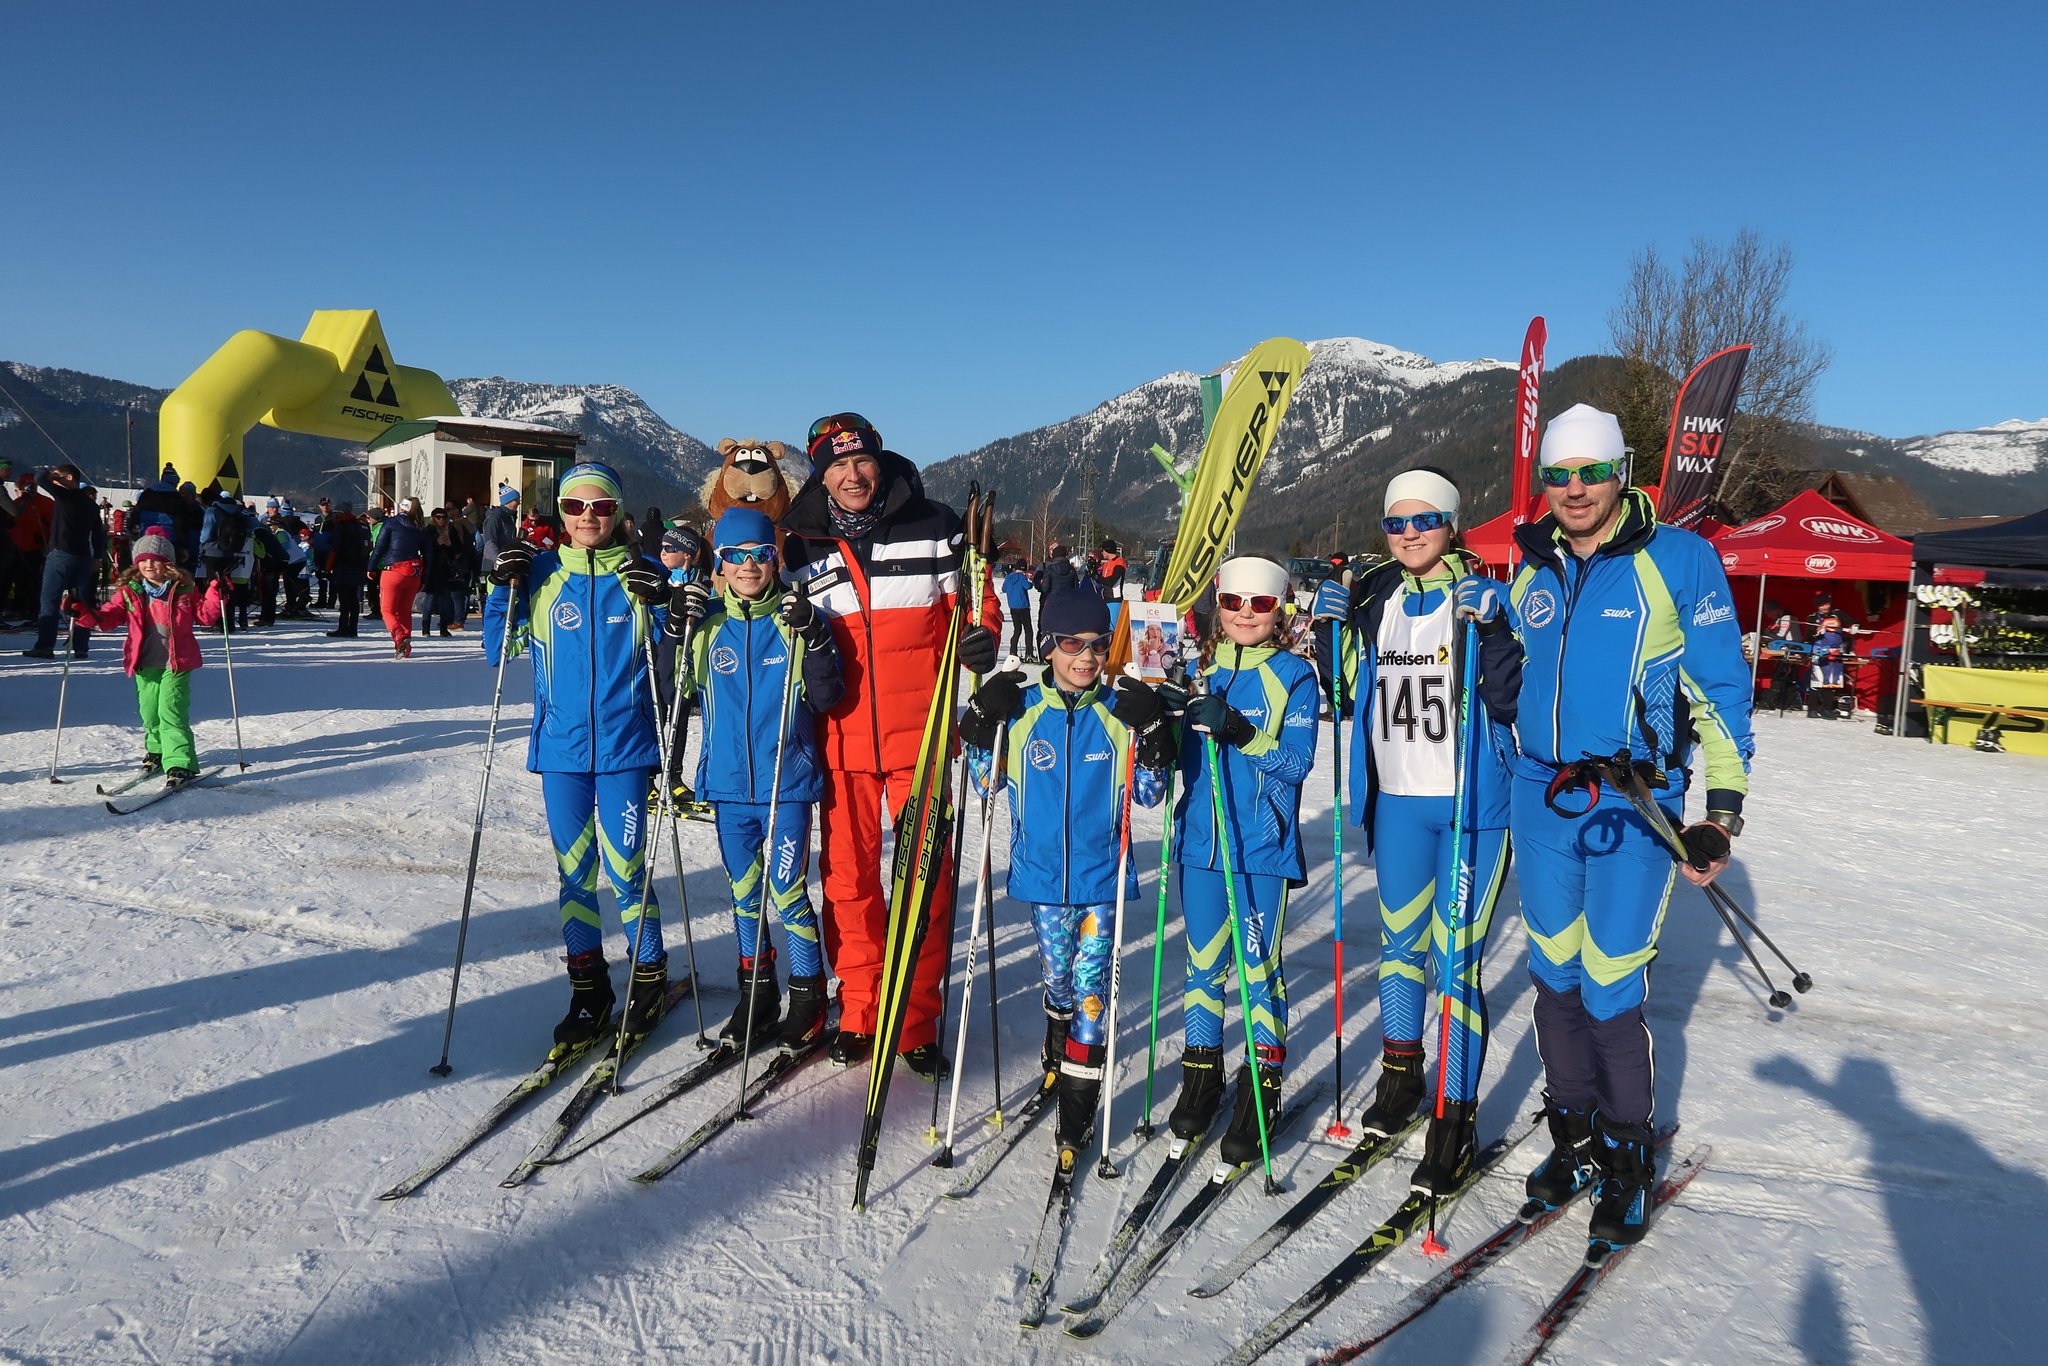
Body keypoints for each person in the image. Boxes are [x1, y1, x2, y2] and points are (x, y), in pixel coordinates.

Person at [1497, 403, 1754, 1247]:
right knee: (1554, 977)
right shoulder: (1531, 565)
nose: (1575, 490)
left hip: (1631, 802)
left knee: (1610, 986)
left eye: (1592, 472)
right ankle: (1572, 1137)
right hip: (1541, 797)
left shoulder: (1677, 558)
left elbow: (1722, 690)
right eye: (1560, 475)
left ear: (1622, 472)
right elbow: (1514, 672)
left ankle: (1627, 1155)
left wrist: (1720, 815)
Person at [1311, 469, 1523, 1194]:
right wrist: (1328, 631)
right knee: (1399, 950)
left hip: (1470, 805)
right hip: (1398, 801)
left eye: (1424, 519)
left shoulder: (1486, 593)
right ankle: (1401, 1077)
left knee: (1456, 965)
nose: (1409, 534)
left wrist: (1496, 628)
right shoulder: (1378, 595)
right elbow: (1342, 693)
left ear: (1452, 524)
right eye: (1396, 523)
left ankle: (1454, 1120)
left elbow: (1513, 696)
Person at [779, 412, 1000, 1077]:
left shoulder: (933, 524)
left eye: (862, 461)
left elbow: (978, 602)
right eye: (838, 465)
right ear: (821, 474)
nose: (853, 476)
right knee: (848, 885)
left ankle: (916, 1021)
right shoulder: (801, 544)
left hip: (923, 738)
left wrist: (983, 637)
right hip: (842, 741)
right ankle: (862, 1011)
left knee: (923, 883)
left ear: (879, 463)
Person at [959, 587, 1175, 1155]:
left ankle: (1077, 1115)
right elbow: (985, 782)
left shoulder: (1117, 713)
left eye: (1097, 645)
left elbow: (1149, 793)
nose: (1086, 656)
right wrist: (980, 720)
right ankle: (1058, 1044)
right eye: (1071, 644)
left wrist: (1155, 734)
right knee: (1058, 978)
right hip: (1042, 878)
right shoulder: (1025, 711)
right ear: (1049, 646)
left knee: (1090, 992)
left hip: (1103, 879)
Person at [484, 461, 676, 1054]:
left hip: (625, 749)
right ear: (561, 514)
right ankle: (588, 987)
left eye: (601, 506)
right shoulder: (539, 574)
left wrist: (664, 601)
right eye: (575, 506)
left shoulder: (641, 573)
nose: (588, 516)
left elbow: (676, 651)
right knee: (575, 874)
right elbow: (497, 650)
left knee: (627, 868)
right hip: (562, 751)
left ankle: (648, 978)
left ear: (617, 512)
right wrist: (501, 588)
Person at [667, 507, 844, 1047]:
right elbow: (672, 692)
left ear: (775, 560)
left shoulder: (793, 622)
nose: (748, 566)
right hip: (727, 787)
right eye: (736, 556)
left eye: (760, 554)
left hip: (784, 785)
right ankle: (757, 992)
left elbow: (827, 696)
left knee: (787, 890)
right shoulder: (706, 626)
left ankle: (808, 994)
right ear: (719, 564)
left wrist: (815, 637)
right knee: (745, 894)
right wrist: (674, 630)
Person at [1166, 556, 1320, 1163]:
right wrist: (1157, 733)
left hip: (1260, 847)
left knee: (1258, 970)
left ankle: (1262, 1089)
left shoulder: (1294, 675)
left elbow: (1297, 764)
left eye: (1260, 604)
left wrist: (1241, 731)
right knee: (1202, 968)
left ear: (1279, 609)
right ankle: (1201, 1078)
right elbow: (1178, 765)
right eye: (1234, 602)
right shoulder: (1197, 671)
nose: (1246, 614)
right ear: (1219, 607)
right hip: (1201, 846)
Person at [66, 531, 228, 784]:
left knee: (171, 711)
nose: (149, 565)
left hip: (177, 663)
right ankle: (157, 750)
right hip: (144, 662)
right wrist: (83, 613)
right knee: (150, 712)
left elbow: (205, 617)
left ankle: (180, 762)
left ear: (168, 563)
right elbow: (107, 619)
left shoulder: (184, 589)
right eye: (143, 560)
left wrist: (216, 594)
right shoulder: (129, 592)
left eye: (155, 560)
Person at [23, 464, 101, 660]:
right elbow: (99, 534)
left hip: (61, 554)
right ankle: (81, 647)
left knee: (49, 601)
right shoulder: (91, 505)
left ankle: (45, 646)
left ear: (69, 478)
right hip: (84, 557)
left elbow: (40, 477)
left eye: (58, 477)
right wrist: (98, 557)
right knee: (82, 603)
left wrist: (53, 476)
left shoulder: (66, 496)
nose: (54, 481)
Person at [369, 498, 436, 657]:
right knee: (404, 611)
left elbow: (379, 547)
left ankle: (400, 636)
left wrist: (371, 567)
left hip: (393, 571)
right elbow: (428, 555)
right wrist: (424, 578)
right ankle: (404, 649)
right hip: (413, 573)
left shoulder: (391, 523)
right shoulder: (421, 527)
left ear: (401, 507)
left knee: (387, 610)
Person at [420, 507, 474, 636]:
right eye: (438, 517)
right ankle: (425, 627)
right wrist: (436, 543)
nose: (441, 520)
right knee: (430, 598)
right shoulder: (428, 531)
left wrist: (450, 544)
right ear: (433, 518)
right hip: (432, 569)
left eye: (444, 517)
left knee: (445, 600)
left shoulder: (451, 530)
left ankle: (444, 627)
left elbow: (459, 550)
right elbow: (424, 550)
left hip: (447, 569)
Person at [322, 502, 373, 638]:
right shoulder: (361, 526)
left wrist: (328, 567)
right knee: (354, 598)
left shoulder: (340, 526)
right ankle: (353, 628)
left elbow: (335, 549)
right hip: (359, 565)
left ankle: (343, 627)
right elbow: (369, 546)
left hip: (343, 565)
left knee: (344, 600)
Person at [1001, 559, 1036, 660]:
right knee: (1028, 630)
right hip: (1023, 607)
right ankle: (1029, 653)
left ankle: (1013, 652)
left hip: (1013, 607)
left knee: (1017, 630)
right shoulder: (1022, 577)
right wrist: (1030, 581)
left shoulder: (1008, 577)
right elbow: (1028, 586)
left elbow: (1004, 589)